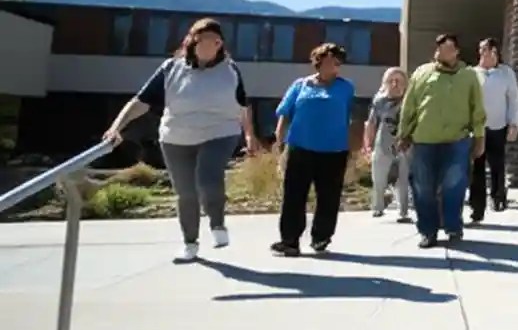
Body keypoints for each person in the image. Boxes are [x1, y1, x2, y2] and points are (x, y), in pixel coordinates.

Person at [103, 18, 257, 263]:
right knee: (185, 193)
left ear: (220, 44)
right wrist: (116, 127)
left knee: (207, 177)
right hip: (176, 136)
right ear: (192, 42)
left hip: (220, 131)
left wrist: (250, 136)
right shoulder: (171, 68)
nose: (210, 46)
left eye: (216, 42)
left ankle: (217, 224)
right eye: (204, 40)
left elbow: (242, 105)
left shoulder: (230, 69)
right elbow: (140, 102)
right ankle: (190, 244)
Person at [398, 33, 486, 248]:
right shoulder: (422, 73)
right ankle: (428, 231)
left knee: (454, 186)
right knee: (423, 187)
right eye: (438, 49)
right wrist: (404, 134)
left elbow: (477, 109)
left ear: (456, 51)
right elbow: (410, 105)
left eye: (447, 48)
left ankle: (453, 226)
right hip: (424, 140)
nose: (441, 53)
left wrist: (479, 137)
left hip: (457, 141)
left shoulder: (468, 75)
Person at [271, 43, 356, 257]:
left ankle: (321, 237)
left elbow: (348, 118)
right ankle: (289, 241)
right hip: (300, 147)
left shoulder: (346, 88)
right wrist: (279, 140)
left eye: (339, 62)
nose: (335, 66)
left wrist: (353, 149)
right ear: (319, 61)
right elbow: (285, 113)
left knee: (329, 196)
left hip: (334, 150)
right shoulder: (300, 85)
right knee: (294, 195)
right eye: (331, 60)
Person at [470, 37, 518, 221]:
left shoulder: (506, 73)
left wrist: (513, 122)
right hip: (477, 128)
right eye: (482, 49)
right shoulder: (472, 73)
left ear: (496, 53)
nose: (485, 53)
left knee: (497, 164)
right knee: (477, 168)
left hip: (498, 126)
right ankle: (477, 207)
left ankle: (498, 198)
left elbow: (513, 99)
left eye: (489, 50)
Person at [363, 67, 412, 223]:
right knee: (378, 177)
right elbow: (371, 123)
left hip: (405, 145)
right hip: (383, 143)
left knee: (403, 179)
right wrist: (367, 145)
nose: (395, 84)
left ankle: (403, 211)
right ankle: (377, 207)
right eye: (391, 81)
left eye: (399, 81)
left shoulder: (411, 101)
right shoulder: (379, 101)